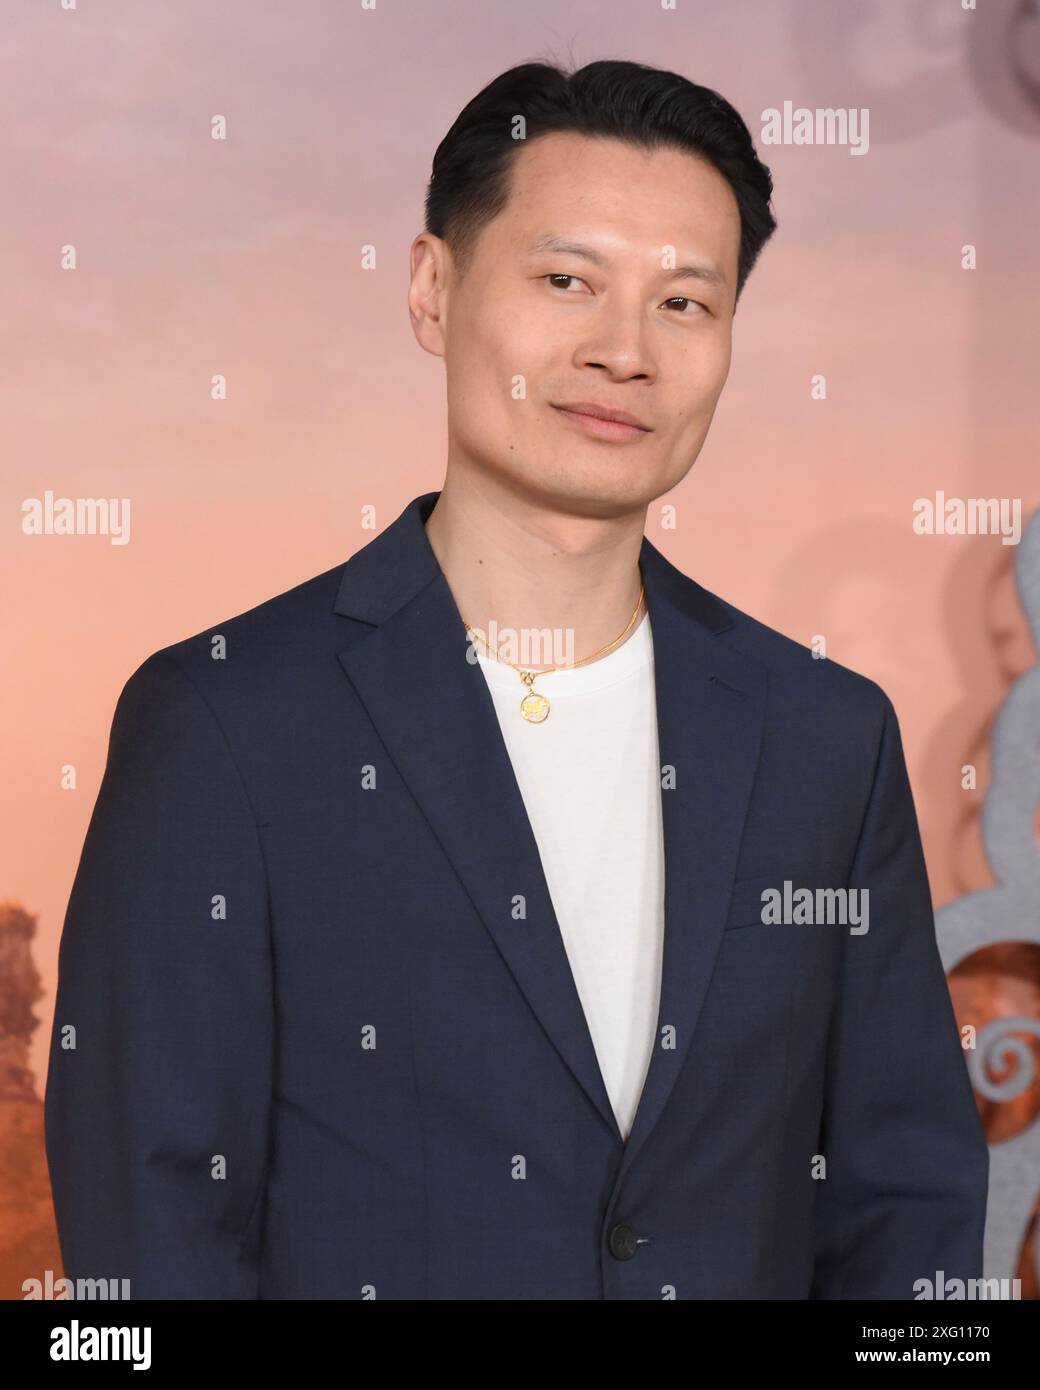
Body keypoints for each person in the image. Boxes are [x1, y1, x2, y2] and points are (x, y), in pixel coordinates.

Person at [44, 58, 988, 1300]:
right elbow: (153, 1219)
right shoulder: (226, 717)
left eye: (685, 304)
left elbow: (900, 1195)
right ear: (434, 290)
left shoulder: (821, 734)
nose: (623, 351)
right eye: (565, 280)